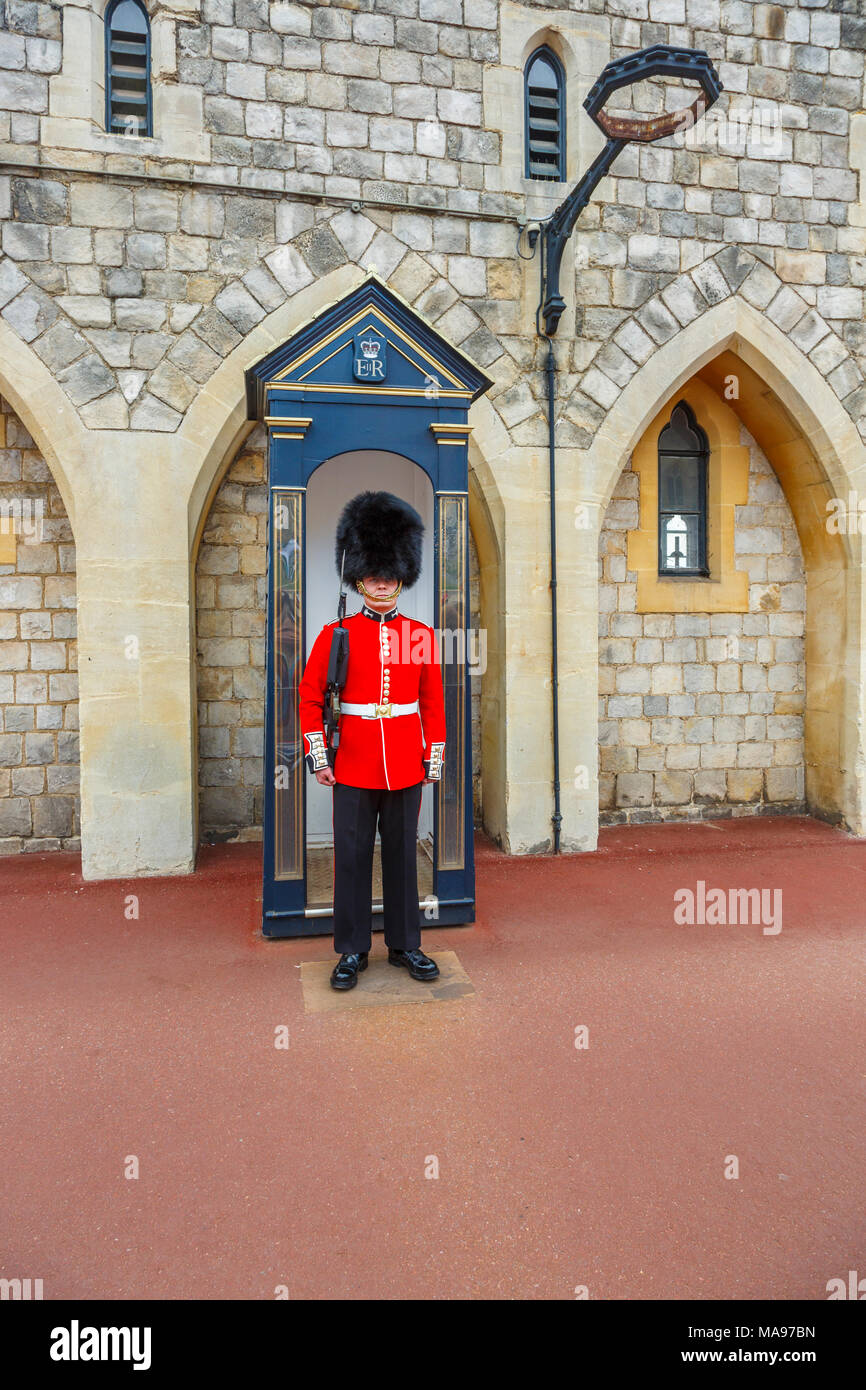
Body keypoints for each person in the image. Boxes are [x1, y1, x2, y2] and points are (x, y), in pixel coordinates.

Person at [298, 491, 447, 991]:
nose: (382, 581)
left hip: (406, 761)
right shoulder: (333, 634)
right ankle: (352, 950)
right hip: (354, 763)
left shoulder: (420, 635)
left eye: (390, 574)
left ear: (401, 578)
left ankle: (406, 944)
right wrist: (321, 755)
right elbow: (309, 698)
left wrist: (435, 758)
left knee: (404, 856)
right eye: (374, 574)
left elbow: (433, 703)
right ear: (359, 579)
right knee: (352, 857)